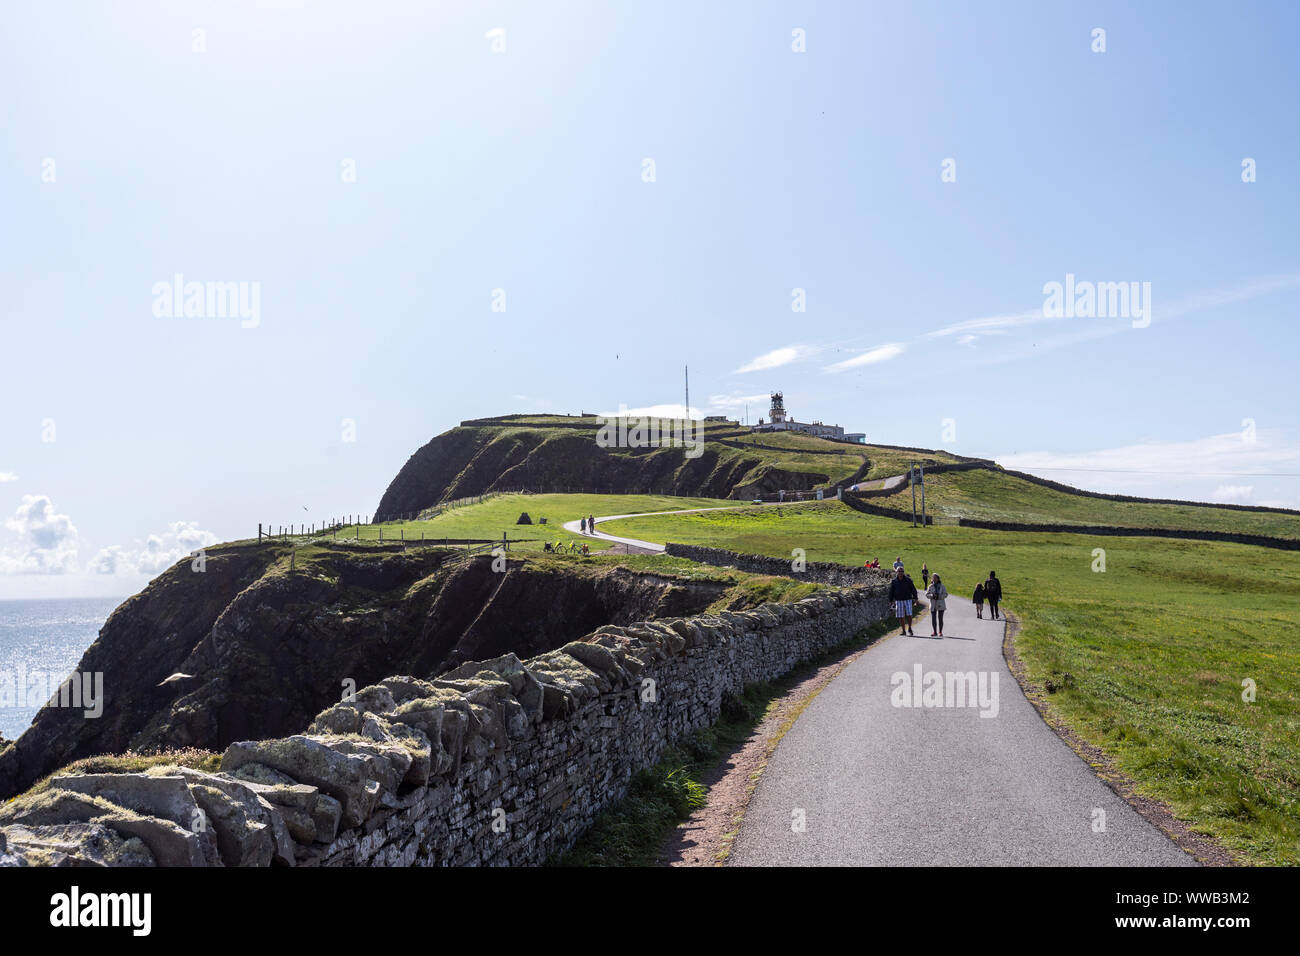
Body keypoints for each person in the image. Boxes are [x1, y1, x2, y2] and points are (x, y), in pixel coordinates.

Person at [888, 567, 918, 636]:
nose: (900, 573)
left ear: (903, 572)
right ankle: (903, 630)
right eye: (899, 571)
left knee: (909, 614)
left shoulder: (908, 580)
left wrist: (916, 598)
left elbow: (913, 589)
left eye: (902, 571)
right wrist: (890, 600)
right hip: (899, 600)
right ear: (897, 572)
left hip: (908, 599)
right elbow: (891, 591)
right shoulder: (894, 581)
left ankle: (910, 628)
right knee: (901, 616)